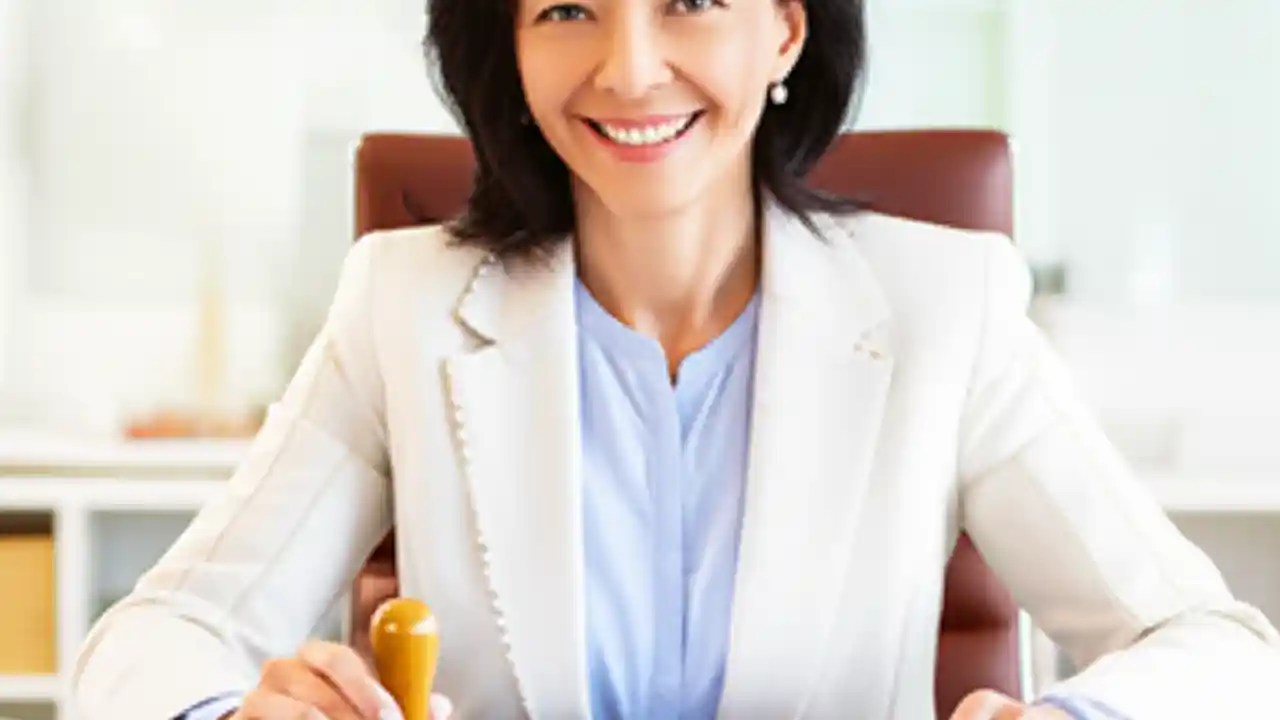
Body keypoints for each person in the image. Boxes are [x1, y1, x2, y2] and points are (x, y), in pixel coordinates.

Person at [73, 0, 1280, 718]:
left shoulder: (940, 307)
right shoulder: (406, 303)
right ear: (509, 43)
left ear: (785, 28)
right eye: (566, 10)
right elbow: (151, 641)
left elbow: (1220, 652)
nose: (629, 67)